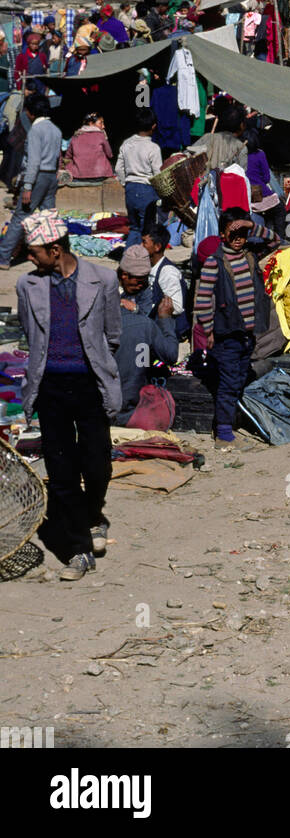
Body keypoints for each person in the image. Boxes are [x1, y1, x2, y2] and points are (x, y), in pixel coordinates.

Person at [16, 210, 121, 580]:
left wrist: (94, 365)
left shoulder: (103, 279)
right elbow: (32, 338)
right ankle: (78, 549)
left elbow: (112, 335)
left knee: (97, 464)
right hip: (50, 388)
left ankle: (93, 514)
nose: (29, 258)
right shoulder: (27, 286)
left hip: (89, 385)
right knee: (61, 471)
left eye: (34, 252)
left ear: (56, 249)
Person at [193, 207, 277, 448]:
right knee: (229, 382)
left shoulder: (250, 256)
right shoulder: (214, 262)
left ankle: (231, 423)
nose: (239, 238)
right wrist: (208, 330)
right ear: (222, 235)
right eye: (234, 233)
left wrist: (251, 226)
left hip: (247, 334)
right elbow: (202, 300)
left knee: (239, 376)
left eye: (243, 233)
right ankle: (224, 434)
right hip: (226, 334)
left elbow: (277, 240)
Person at [0, 93, 63, 269]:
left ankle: (3, 257)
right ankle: (56, 255)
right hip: (51, 177)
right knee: (49, 217)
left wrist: (27, 186)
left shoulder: (36, 130)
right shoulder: (55, 130)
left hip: (37, 177)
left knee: (21, 216)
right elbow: (58, 159)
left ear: (30, 112)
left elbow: (33, 162)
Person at [115, 246, 178, 418]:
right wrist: (165, 320)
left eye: (144, 280)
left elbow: (143, 318)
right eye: (137, 280)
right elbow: (171, 354)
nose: (141, 284)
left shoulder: (146, 292)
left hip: (140, 349)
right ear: (123, 275)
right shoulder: (108, 291)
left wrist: (136, 310)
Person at [114, 107, 162, 248]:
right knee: (147, 229)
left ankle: (129, 257)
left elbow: (118, 168)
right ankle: (142, 259)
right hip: (146, 191)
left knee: (134, 227)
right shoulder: (153, 148)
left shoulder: (126, 144)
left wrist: (125, 183)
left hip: (130, 189)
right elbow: (158, 174)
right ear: (154, 126)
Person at [141, 222, 190, 340]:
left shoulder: (167, 272)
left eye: (144, 242)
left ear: (157, 247)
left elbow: (177, 307)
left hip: (170, 331)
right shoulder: (148, 266)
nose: (140, 246)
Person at [65, 113, 114, 181]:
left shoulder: (75, 137)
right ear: (91, 123)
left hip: (79, 175)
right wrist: (106, 138)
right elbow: (110, 154)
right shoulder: (101, 135)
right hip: (100, 175)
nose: (103, 126)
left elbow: (68, 157)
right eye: (101, 123)